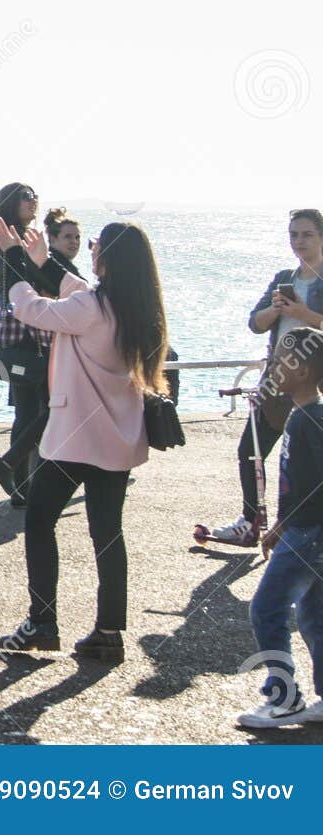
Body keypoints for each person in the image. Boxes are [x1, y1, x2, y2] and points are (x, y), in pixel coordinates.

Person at [0, 218, 169, 662]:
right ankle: (108, 632)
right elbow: (73, 290)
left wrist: (13, 262)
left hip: (73, 439)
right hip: (118, 439)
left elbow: (33, 310)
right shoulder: (136, 307)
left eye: (94, 245)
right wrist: (42, 261)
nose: (88, 250)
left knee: (38, 521)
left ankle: (42, 621)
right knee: (107, 535)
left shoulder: (92, 307)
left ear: (106, 257)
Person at [201, 209, 323, 547]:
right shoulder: (284, 277)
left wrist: (305, 315)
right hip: (279, 381)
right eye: (294, 234)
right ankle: (252, 521)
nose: (299, 241)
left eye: (307, 234)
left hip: (316, 385)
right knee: (250, 451)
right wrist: (276, 309)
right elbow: (255, 323)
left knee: (310, 461)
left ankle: (302, 530)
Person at [236, 326, 323, 728]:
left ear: (303, 371)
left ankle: (283, 698)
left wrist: (290, 527)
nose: (273, 368)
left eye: (281, 362)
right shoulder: (300, 416)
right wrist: (280, 526)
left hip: (310, 534)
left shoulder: (311, 421)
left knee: (266, 607)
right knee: (313, 613)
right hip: (304, 531)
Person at [0, 182, 50, 508]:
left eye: (35, 195)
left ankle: (20, 481)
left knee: (28, 411)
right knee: (40, 411)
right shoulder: (14, 240)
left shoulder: (4, 240)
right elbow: (21, 286)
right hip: (31, 337)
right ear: (11, 203)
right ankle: (17, 475)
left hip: (20, 338)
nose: (33, 201)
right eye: (26, 197)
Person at [44, 208, 84, 279]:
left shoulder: (68, 268)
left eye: (77, 237)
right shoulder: (52, 269)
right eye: (68, 236)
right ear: (53, 239)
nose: (74, 241)